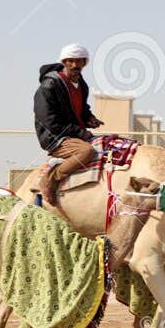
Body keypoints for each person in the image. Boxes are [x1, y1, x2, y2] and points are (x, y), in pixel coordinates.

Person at [33, 42, 103, 207]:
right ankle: (50, 179)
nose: (74, 65)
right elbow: (48, 120)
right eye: (70, 61)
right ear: (64, 62)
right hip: (56, 137)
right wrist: (80, 132)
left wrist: (89, 119)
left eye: (79, 61)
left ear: (84, 63)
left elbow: (82, 109)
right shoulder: (49, 85)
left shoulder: (81, 84)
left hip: (73, 134)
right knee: (87, 152)